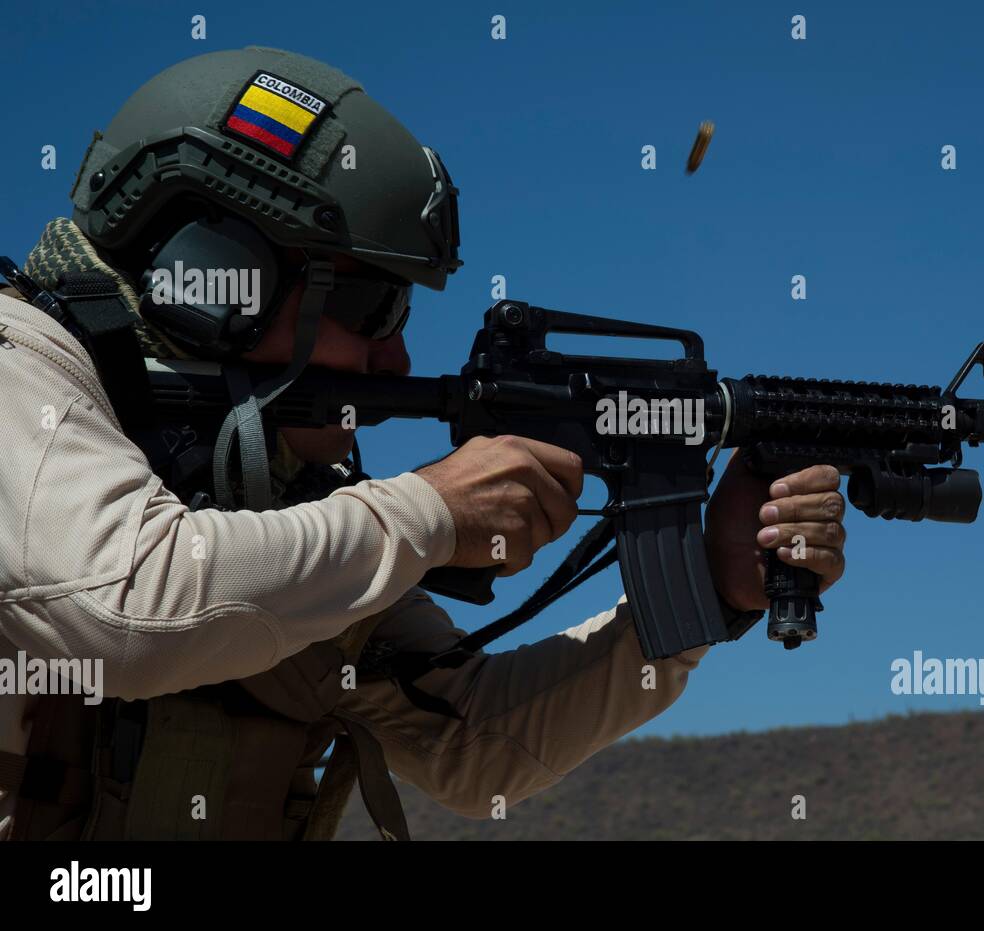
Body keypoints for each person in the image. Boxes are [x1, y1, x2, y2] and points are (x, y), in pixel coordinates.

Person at [0, 47, 848, 840]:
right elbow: (126, 608)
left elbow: (479, 749)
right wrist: (429, 511)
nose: (396, 359)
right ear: (217, 275)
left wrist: (711, 586)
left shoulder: (277, 505)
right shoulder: (17, 363)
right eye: (373, 310)